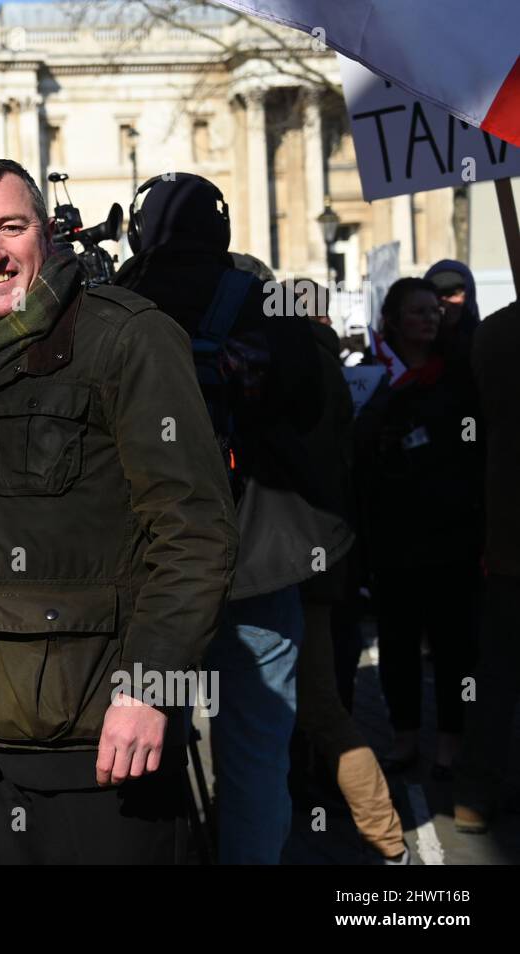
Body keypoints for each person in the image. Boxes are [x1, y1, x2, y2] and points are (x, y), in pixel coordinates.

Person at [0, 158, 237, 865]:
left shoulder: (127, 336)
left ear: (47, 235)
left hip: (106, 739)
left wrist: (151, 687)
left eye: (10, 227)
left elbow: (194, 530)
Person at [115, 173, 330, 864]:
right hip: (258, 558)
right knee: (258, 752)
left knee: (147, 743)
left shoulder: (115, 303)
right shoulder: (272, 303)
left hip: (149, 567)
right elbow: (320, 409)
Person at [289, 279, 409, 864]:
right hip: (315, 559)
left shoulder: (299, 364)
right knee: (316, 701)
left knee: (316, 703)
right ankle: (382, 837)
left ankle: (385, 839)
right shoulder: (320, 360)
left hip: (298, 561)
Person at [355, 278, 484, 779]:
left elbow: (474, 448)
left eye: (435, 310)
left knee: (454, 646)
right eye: (417, 311)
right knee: (399, 643)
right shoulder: (373, 378)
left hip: (451, 534)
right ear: (394, 319)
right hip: (394, 536)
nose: (430, 318)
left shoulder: (458, 374)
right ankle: (404, 735)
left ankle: (450, 739)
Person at [454, 301, 520, 833]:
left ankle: (477, 791)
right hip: (505, 536)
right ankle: (478, 789)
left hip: (504, 533)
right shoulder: (500, 334)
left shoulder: (494, 332)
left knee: (496, 675)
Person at [423, 259, 481, 363]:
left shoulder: (483, 342)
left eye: (453, 293)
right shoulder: (414, 346)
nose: (445, 303)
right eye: (438, 294)